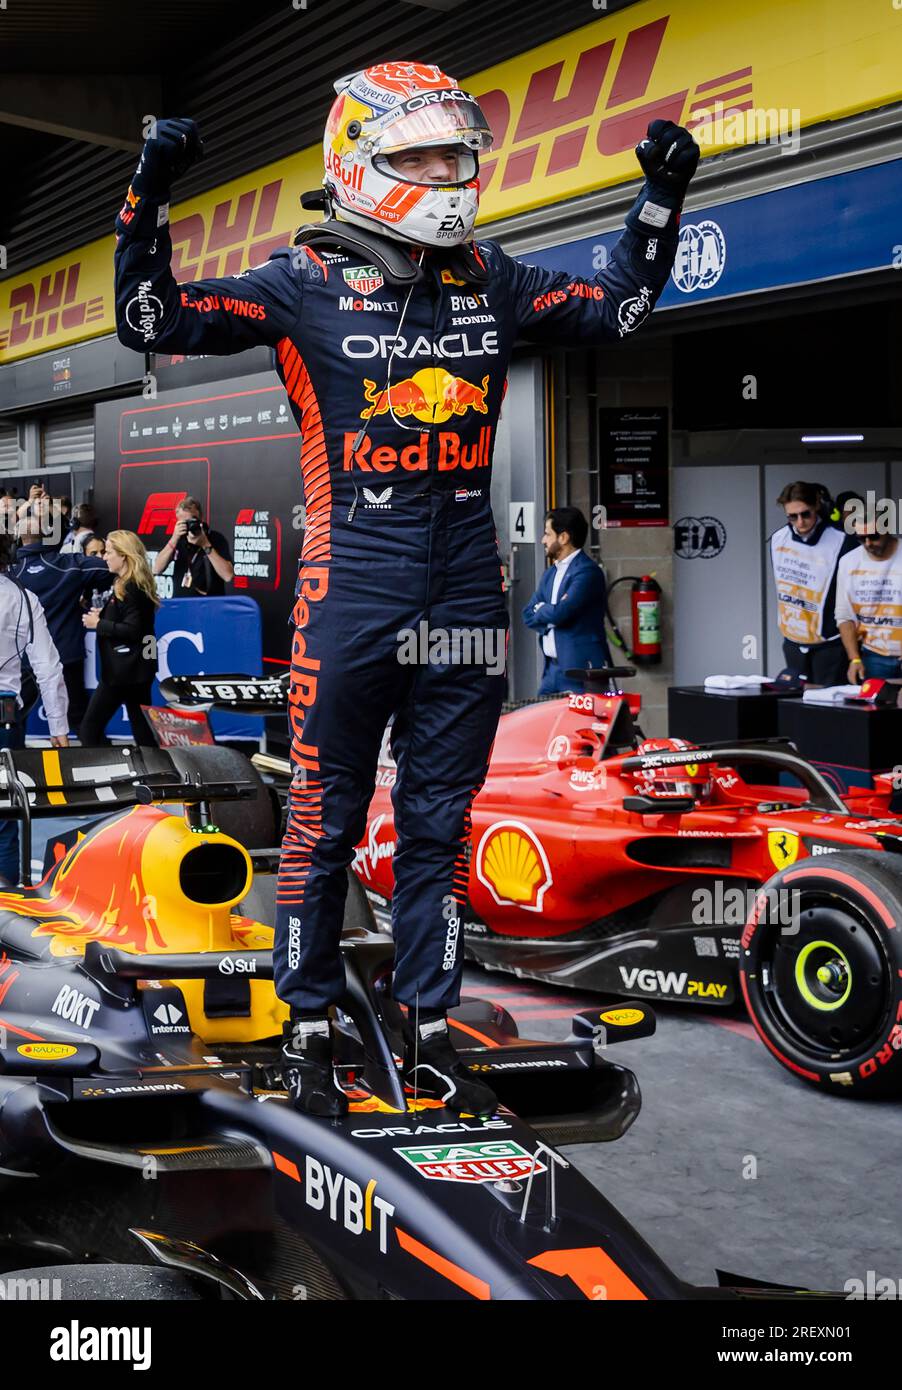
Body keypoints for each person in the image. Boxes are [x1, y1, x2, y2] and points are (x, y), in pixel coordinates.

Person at [113, 69, 699, 1117]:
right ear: (358, 163)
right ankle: (302, 1021)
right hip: (352, 594)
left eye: (454, 154)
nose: (445, 174)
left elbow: (617, 310)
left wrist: (656, 202)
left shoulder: (496, 276)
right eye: (419, 156)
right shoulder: (297, 283)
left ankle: (429, 1016)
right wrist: (150, 188)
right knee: (322, 818)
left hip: (468, 597)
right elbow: (146, 314)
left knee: (437, 818)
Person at [0, 534, 69, 883]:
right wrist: (58, 727)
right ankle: (7, 910)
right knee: (4, 816)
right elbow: (48, 667)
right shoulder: (23, 600)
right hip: (5, 718)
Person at [11, 517, 107, 731]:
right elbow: (106, 568)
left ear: (17, 539)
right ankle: (90, 761)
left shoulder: (10, 573)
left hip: (24, 659)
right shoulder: (68, 564)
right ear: (46, 536)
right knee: (78, 718)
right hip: (65, 654)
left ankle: (13, 760)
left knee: (14, 717)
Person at [80, 531, 160, 747]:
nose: (104, 557)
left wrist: (99, 624)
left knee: (89, 730)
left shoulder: (133, 586)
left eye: (109, 552)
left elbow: (134, 630)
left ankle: (105, 772)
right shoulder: (129, 584)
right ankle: (157, 773)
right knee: (141, 729)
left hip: (125, 672)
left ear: (124, 555)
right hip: (132, 669)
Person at [770, 481, 854, 686]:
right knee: (797, 705)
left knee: (828, 705)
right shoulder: (778, 538)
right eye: (792, 516)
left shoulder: (842, 540)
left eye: (805, 514)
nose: (800, 522)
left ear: (816, 505)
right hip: (793, 639)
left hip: (829, 643)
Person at [523, 507, 611, 694]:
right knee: (540, 720)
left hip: (581, 673)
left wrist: (545, 611)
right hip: (551, 672)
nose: (543, 540)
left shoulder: (587, 572)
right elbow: (527, 614)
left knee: (580, 723)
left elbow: (560, 613)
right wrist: (548, 615)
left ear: (563, 538)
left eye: (547, 534)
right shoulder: (550, 573)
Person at [836, 524, 902, 681]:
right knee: (878, 704)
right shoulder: (848, 562)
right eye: (861, 538)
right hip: (874, 655)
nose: (868, 543)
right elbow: (844, 615)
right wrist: (855, 659)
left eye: (873, 536)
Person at [152, 497, 233, 596]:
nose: (190, 526)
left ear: (201, 519)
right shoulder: (178, 539)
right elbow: (156, 569)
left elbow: (228, 576)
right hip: (182, 605)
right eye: (184, 523)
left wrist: (206, 545)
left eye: (192, 521)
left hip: (210, 604)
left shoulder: (215, 538)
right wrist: (174, 539)